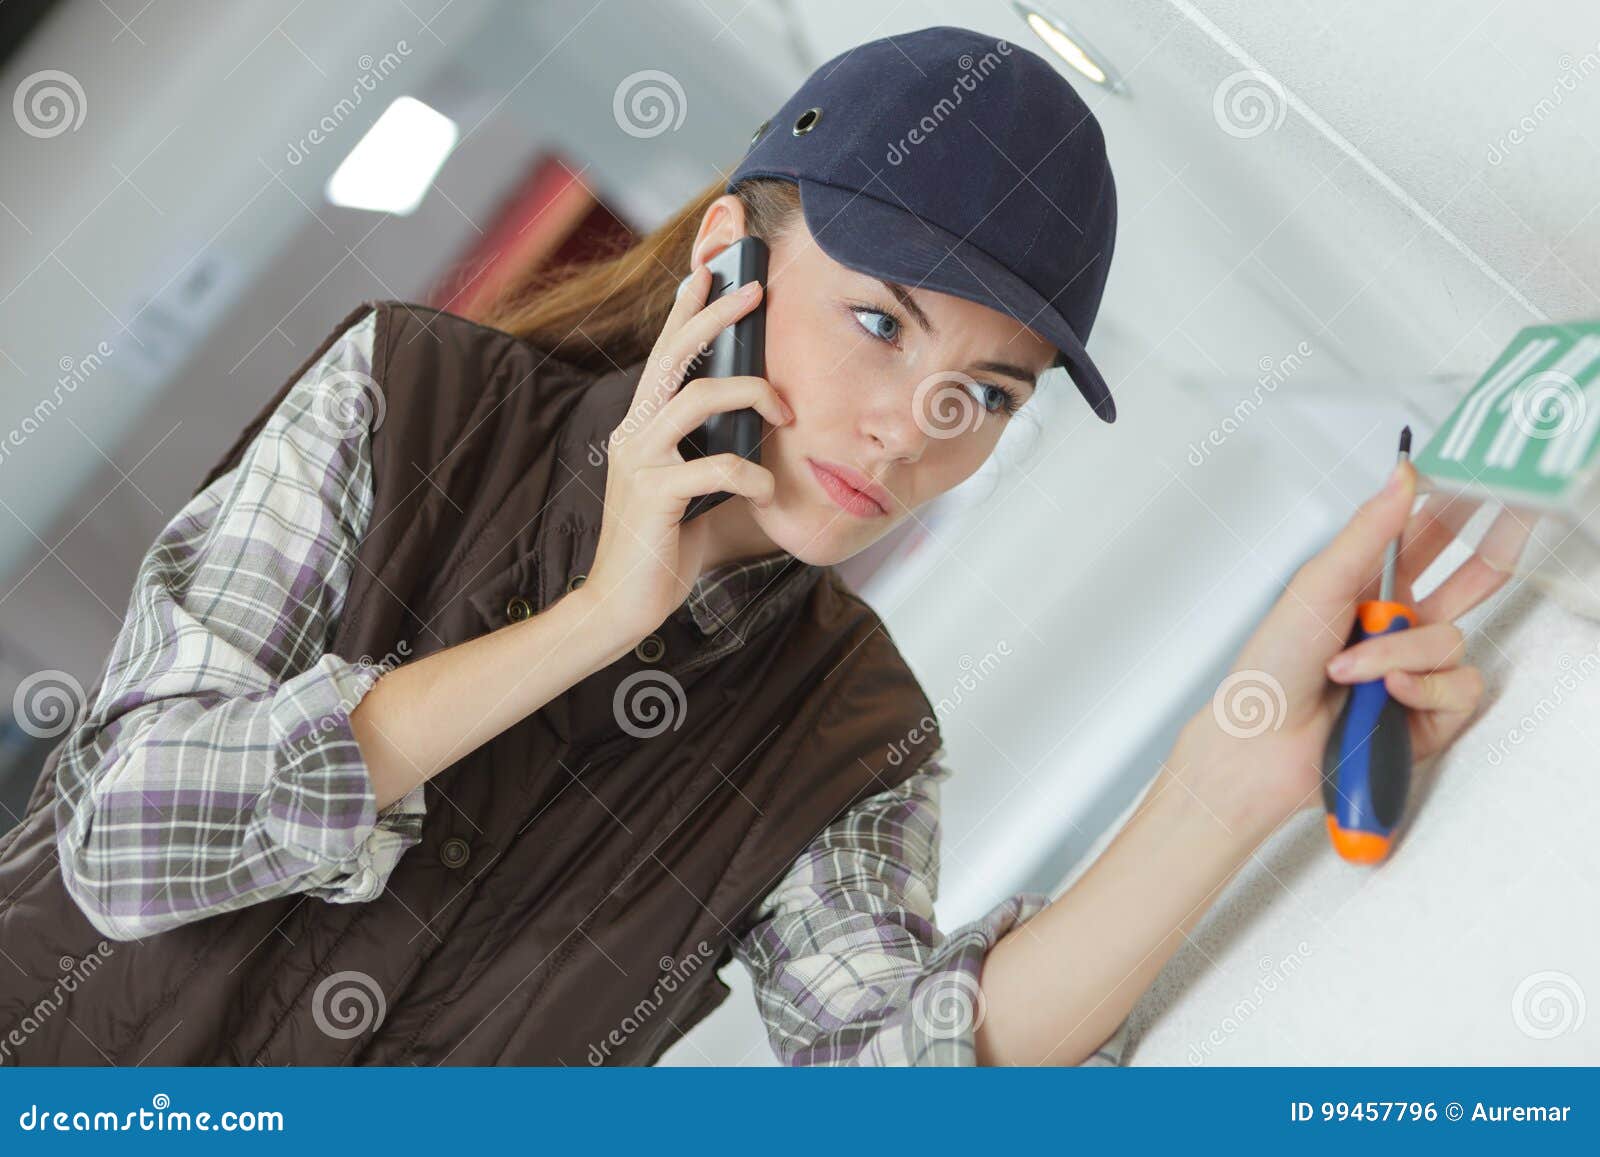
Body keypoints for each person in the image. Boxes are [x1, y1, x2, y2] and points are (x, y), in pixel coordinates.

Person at [0, 26, 1496, 1068]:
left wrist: (1225, 783)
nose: (917, 426)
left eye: (983, 395)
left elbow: (903, 1071)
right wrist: (597, 617)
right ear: (731, 259)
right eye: (879, 321)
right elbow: (129, 840)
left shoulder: (855, 731)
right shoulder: (406, 399)